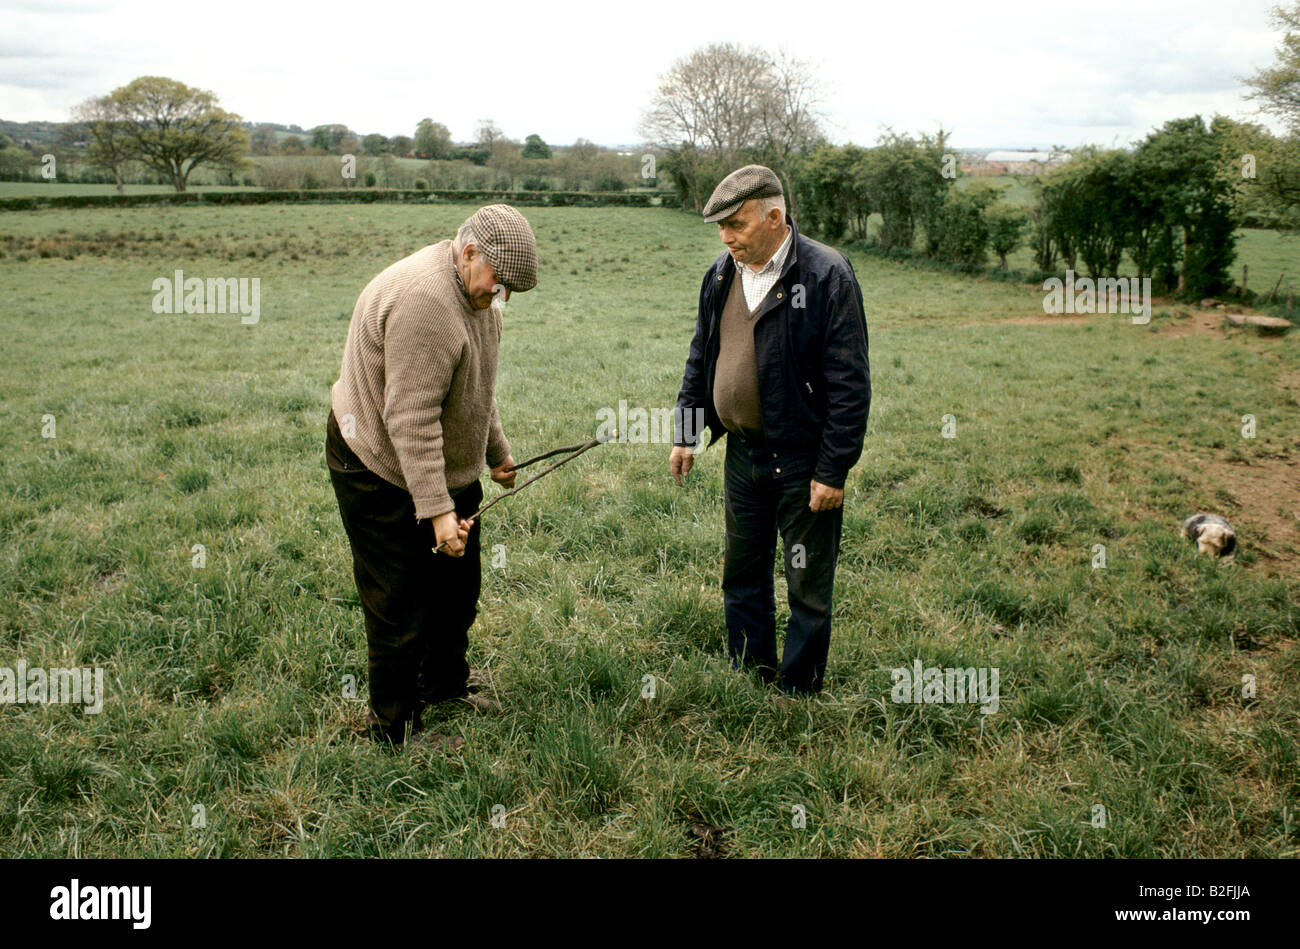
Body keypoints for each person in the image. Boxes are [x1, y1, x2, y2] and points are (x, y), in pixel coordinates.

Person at [327, 204, 538, 746]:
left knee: (456, 588)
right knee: (400, 600)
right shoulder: (426, 303)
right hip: (376, 462)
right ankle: (393, 729)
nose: (502, 296)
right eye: (499, 281)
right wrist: (439, 512)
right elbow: (411, 420)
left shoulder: (480, 298)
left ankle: (445, 685)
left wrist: (496, 453)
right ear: (469, 253)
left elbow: (476, 389)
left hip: (439, 459)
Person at [669, 165, 870, 697]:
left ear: (774, 217)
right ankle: (749, 675)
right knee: (742, 569)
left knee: (806, 582)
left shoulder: (826, 275)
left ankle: (799, 690)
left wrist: (833, 469)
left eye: (736, 225)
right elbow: (701, 357)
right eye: (720, 228)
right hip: (742, 454)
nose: (726, 238)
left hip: (804, 460)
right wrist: (687, 431)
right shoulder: (720, 275)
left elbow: (850, 382)